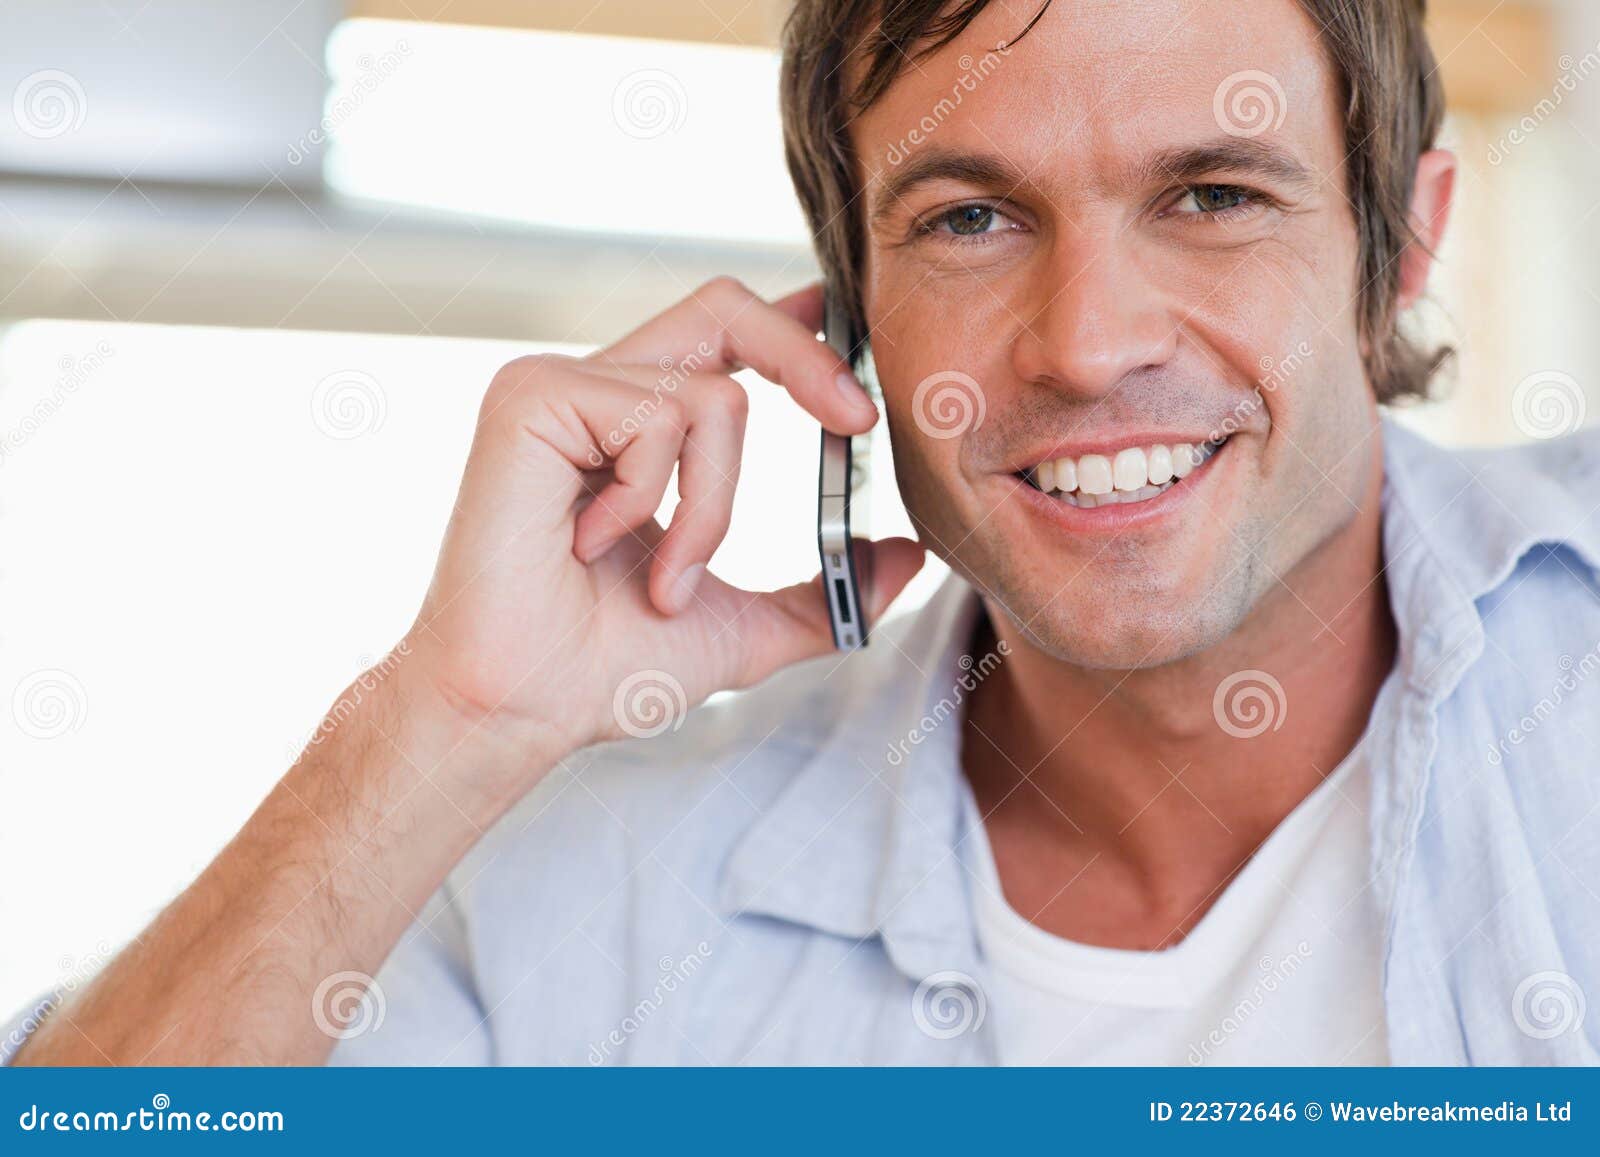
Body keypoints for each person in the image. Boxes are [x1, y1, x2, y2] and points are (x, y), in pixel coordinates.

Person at [11, 0, 1599, 1066]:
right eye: (970, 218)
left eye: (1214, 197)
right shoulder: (606, 889)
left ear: (1403, 246)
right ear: (846, 324)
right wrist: (446, 717)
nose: (1088, 343)